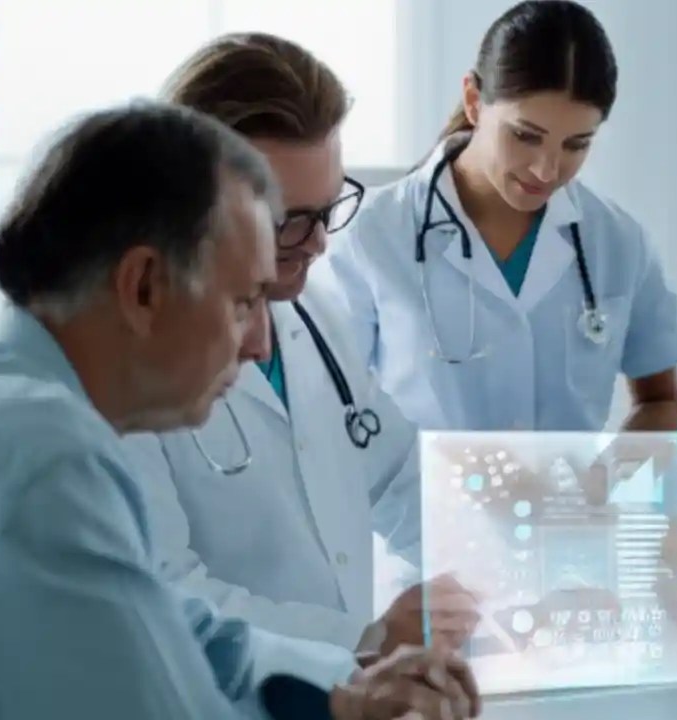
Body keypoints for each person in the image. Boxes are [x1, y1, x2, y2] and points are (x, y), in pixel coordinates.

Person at [0, 102, 480, 719]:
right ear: (144, 287)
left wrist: (343, 699)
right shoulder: (46, 453)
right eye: (242, 303)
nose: (259, 341)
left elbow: (186, 631)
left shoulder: (9, 399)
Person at [117, 32, 475, 657]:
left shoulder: (313, 313)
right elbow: (164, 593)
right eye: (287, 220)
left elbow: (402, 480)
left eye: (330, 207)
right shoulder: (121, 368)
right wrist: (360, 641)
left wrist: (533, 563)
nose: (318, 244)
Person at [318, 0, 677, 433]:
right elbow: (330, 415)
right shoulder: (372, 234)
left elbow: (660, 400)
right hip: (419, 503)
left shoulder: (617, 242)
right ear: (475, 101)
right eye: (525, 136)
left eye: (576, 144)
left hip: (568, 502)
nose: (546, 170)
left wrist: (605, 488)